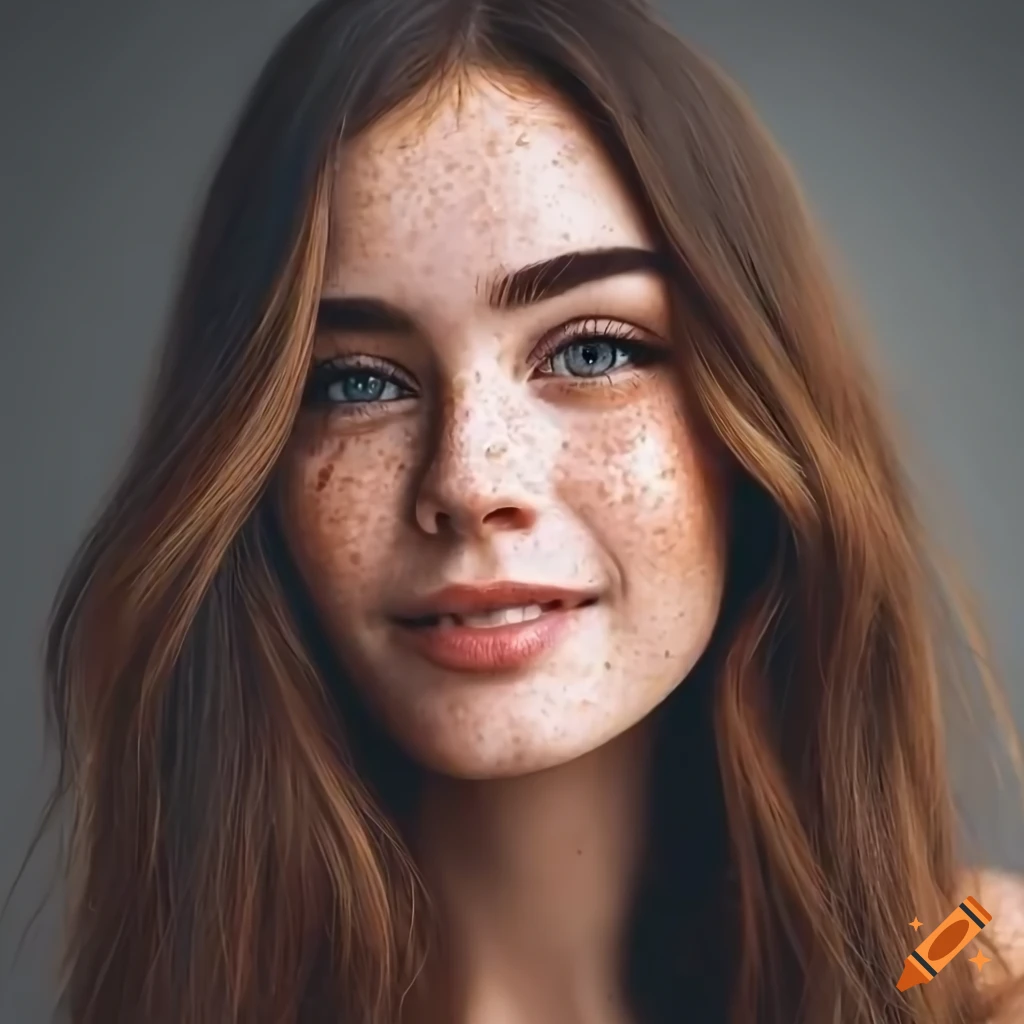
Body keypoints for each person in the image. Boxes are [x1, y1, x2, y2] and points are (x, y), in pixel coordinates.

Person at [40, 0, 1024, 1021]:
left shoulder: (952, 964)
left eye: (592, 351)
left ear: (755, 418)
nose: (469, 480)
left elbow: (939, 952)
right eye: (356, 382)